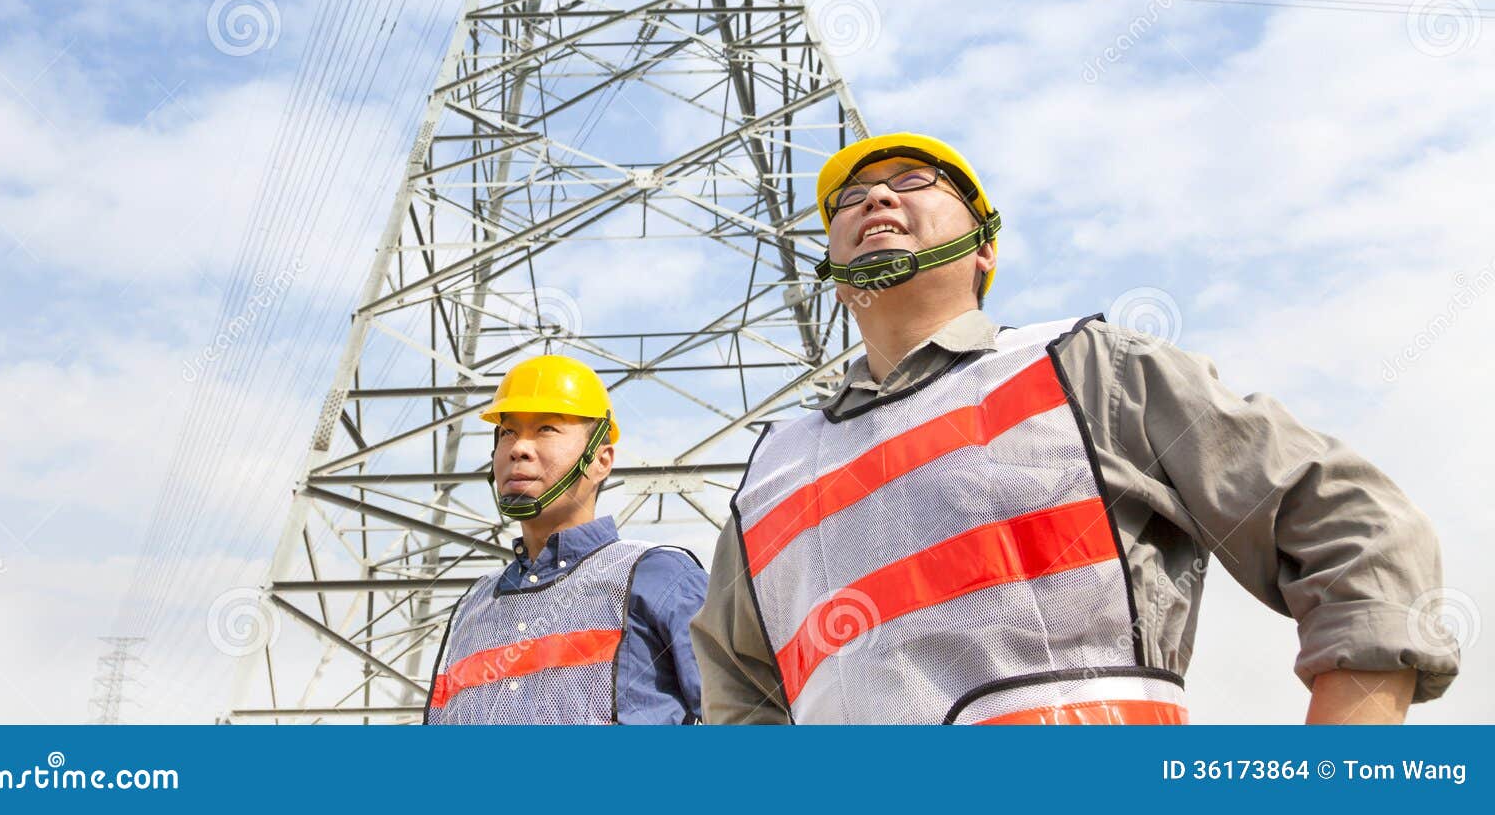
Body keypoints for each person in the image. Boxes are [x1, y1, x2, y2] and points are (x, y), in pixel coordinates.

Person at [690, 132, 1460, 724]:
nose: (874, 200)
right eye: (850, 198)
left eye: (913, 182)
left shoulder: (1087, 369)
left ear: (983, 245)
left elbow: (1351, 522)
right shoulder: (772, 475)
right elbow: (740, 693)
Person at [422, 354, 707, 723]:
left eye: (546, 429)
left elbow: (744, 714)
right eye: (508, 432)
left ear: (601, 461)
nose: (518, 448)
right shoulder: (471, 609)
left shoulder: (657, 576)